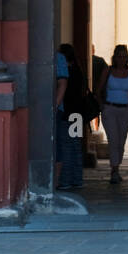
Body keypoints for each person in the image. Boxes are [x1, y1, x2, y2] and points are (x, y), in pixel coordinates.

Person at [96, 44, 128, 184]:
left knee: (121, 141)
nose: (122, 59)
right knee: (113, 139)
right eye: (119, 56)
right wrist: (102, 106)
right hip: (110, 109)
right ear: (115, 57)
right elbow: (98, 89)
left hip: (126, 110)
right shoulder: (108, 70)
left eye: (124, 56)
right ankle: (115, 170)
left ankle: (116, 165)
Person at [56, 42, 85, 190]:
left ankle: (65, 180)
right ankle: (77, 178)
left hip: (67, 113)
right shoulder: (78, 70)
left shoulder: (64, 72)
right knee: (76, 146)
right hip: (78, 113)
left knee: (65, 146)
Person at [55, 47, 70, 189]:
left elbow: (62, 83)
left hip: (56, 110)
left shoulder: (58, 58)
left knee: (56, 143)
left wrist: (55, 105)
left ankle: (56, 180)